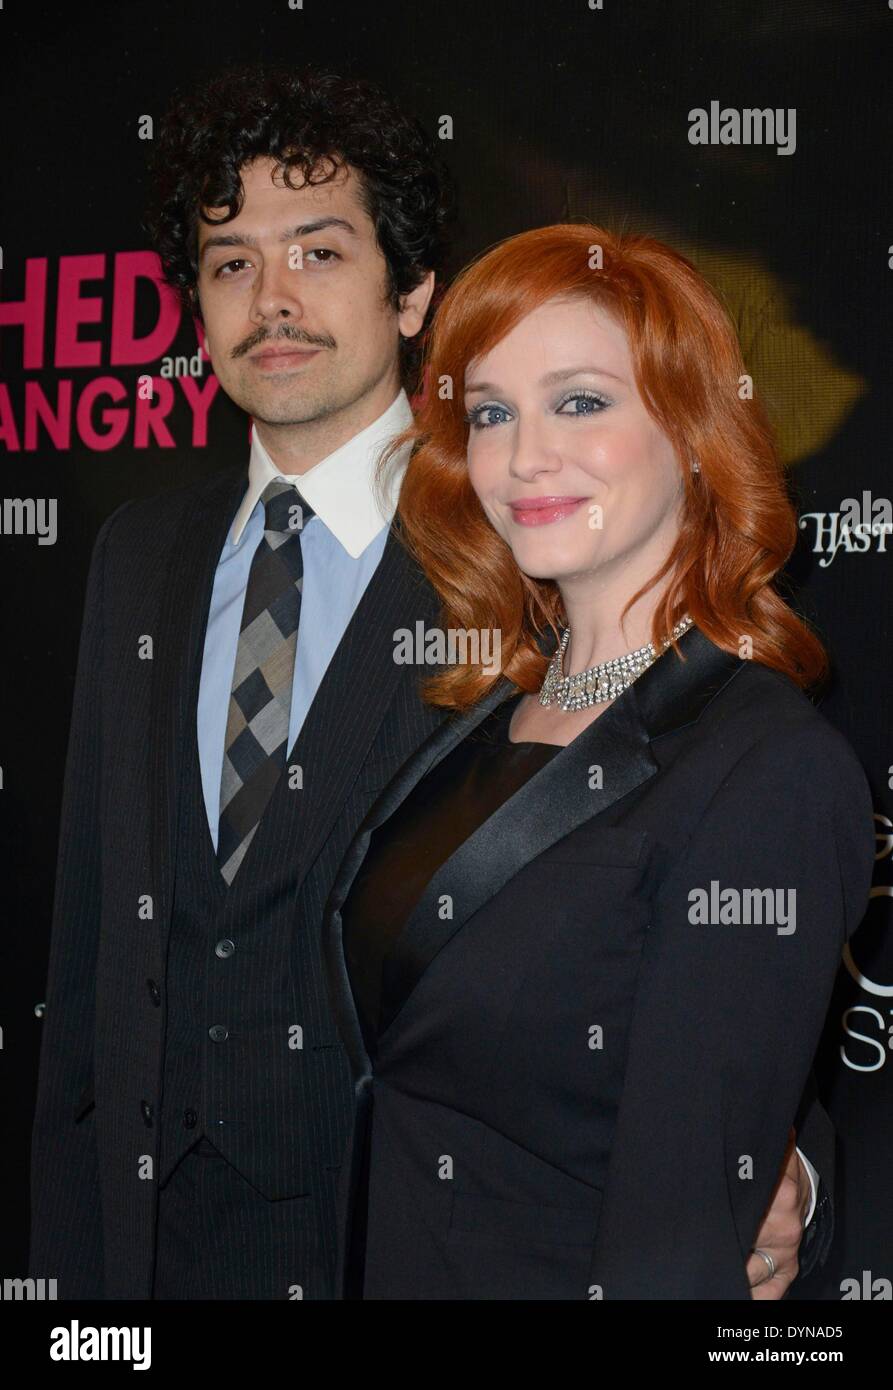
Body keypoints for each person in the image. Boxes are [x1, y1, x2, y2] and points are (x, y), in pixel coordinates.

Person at [29, 63, 828, 1300]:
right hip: (147, 1253)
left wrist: (779, 1161)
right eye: (230, 261)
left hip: (384, 1237)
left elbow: (681, 917)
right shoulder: (137, 556)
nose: (271, 297)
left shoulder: (523, 539)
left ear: (412, 295)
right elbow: (90, 943)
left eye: (318, 250)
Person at [320, 223, 875, 1299]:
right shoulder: (481, 720)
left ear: (693, 430)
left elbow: (670, 1248)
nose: (524, 455)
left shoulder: (763, 771)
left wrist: (777, 1162)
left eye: (578, 401)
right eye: (490, 413)